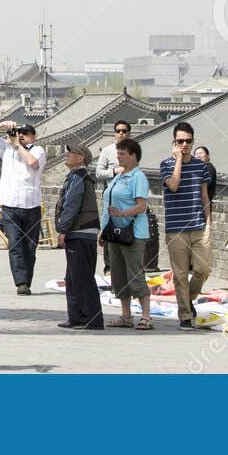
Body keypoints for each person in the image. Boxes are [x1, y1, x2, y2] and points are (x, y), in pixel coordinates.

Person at [159, 120, 211, 329]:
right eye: (180, 141)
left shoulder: (201, 167)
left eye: (188, 141)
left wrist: (209, 222)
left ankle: (188, 298)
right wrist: (179, 160)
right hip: (176, 228)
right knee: (180, 275)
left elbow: (205, 195)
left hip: (199, 225)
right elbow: (173, 185)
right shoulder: (166, 165)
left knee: (203, 269)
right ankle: (185, 315)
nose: (185, 145)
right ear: (174, 142)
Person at [0, 118, 45, 294]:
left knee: (30, 246)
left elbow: (33, 163)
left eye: (25, 134)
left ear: (33, 136)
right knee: (15, 244)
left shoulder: (38, 150)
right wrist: (3, 125)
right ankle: (21, 283)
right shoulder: (7, 148)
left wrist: (18, 145)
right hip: (10, 204)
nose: (21, 136)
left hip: (31, 205)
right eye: (19, 133)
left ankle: (27, 279)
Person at [100, 137, 152, 330]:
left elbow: (141, 205)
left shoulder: (138, 177)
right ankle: (126, 315)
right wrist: (103, 231)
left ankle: (146, 316)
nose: (118, 157)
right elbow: (108, 204)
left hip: (133, 233)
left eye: (122, 154)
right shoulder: (119, 176)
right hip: (114, 232)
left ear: (133, 156)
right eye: (118, 153)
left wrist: (123, 213)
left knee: (135, 272)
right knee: (119, 274)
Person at [53, 141, 104, 330]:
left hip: (80, 232)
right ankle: (77, 317)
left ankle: (91, 318)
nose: (67, 155)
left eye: (70, 152)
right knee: (75, 277)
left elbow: (71, 205)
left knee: (81, 278)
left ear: (81, 157)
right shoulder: (79, 176)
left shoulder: (78, 177)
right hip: (84, 233)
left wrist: (63, 229)